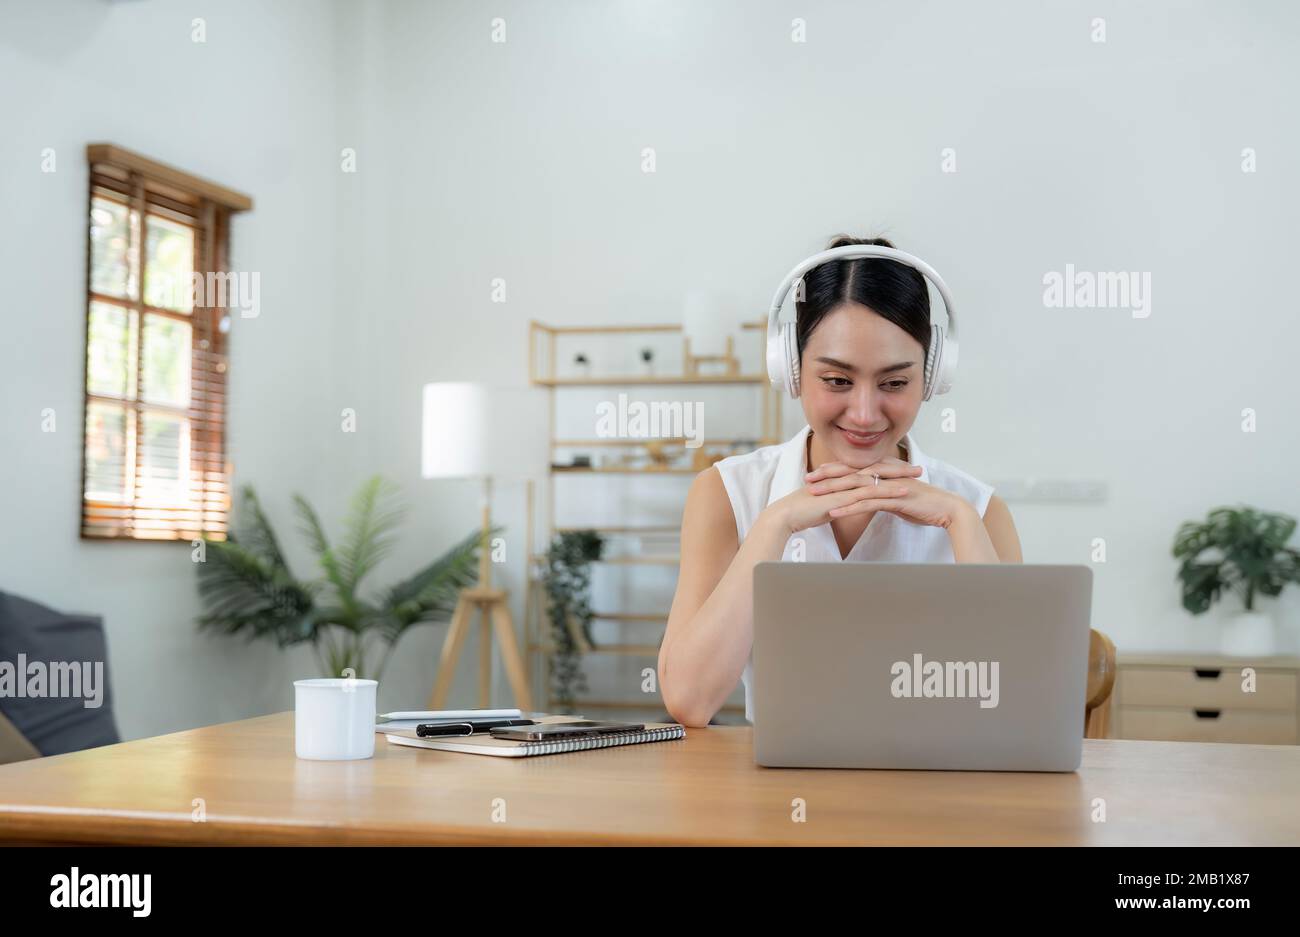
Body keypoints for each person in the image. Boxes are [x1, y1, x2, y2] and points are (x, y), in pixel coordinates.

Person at [658, 235, 1023, 728]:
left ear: (932, 377)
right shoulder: (727, 493)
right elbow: (689, 700)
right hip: (776, 794)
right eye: (837, 381)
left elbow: (1014, 705)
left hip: (935, 789)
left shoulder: (978, 509)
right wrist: (776, 522)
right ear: (791, 369)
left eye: (895, 383)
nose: (866, 413)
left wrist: (958, 521)